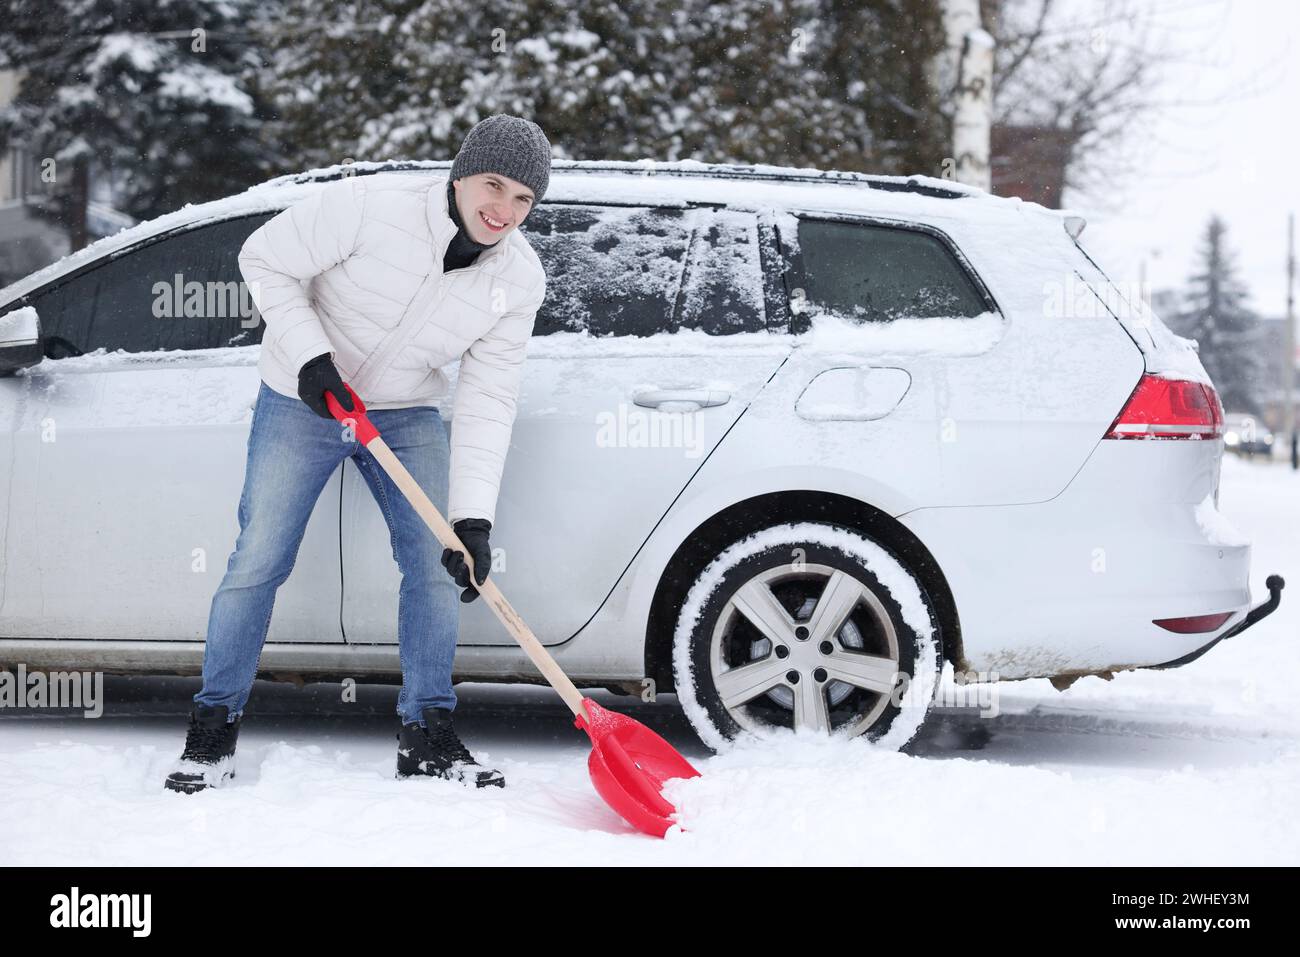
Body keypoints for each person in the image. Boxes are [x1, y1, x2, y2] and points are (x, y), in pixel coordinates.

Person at [164, 115, 550, 794]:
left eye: (523, 199)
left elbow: (490, 396)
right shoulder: (369, 207)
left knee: (438, 563)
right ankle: (213, 724)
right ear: (461, 174)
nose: (504, 210)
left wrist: (472, 519)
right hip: (303, 396)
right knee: (260, 558)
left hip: (403, 412)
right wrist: (311, 357)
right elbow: (264, 257)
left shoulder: (518, 279)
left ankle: (428, 730)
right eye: (494, 185)